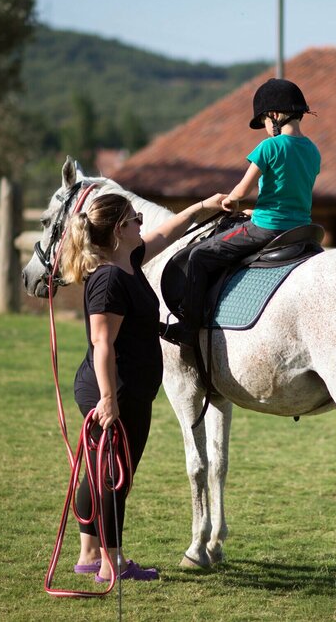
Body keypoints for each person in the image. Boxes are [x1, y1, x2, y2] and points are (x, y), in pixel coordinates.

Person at [59, 190, 226, 583]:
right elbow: (103, 344)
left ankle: (88, 554)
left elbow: (167, 233)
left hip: (129, 389)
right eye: (135, 219)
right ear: (119, 230)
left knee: (102, 472)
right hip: (116, 391)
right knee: (117, 475)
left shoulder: (129, 262)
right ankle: (111, 564)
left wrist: (204, 207)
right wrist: (108, 399)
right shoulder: (109, 280)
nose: (141, 223)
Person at [163, 78, 321, 346]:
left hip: (267, 227)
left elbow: (242, 190)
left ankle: (188, 330)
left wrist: (231, 202)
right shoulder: (313, 150)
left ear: (274, 115)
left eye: (265, 122)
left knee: (200, 255)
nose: (266, 129)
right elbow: (291, 193)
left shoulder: (270, 147)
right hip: (300, 228)